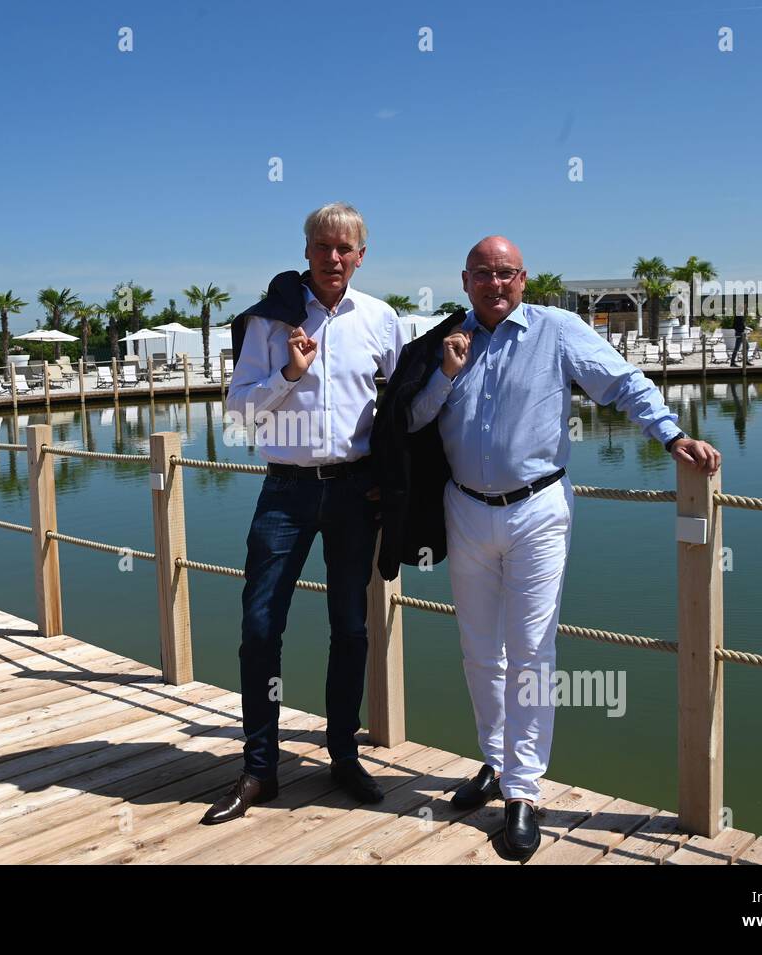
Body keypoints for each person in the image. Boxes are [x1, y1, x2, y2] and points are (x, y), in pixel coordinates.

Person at [374, 235, 720, 862]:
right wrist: (446, 375)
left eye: (505, 273)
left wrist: (671, 437)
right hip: (465, 508)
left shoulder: (556, 330)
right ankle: (497, 762)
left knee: (531, 651)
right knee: (479, 651)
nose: (494, 284)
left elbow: (623, 383)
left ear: (524, 279)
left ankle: (524, 792)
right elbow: (411, 421)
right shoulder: (446, 342)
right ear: (465, 280)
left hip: (537, 509)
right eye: (482, 274)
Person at [200, 202, 407, 825]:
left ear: (361, 256)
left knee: (350, 627)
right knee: (260, 625)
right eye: (323, 247)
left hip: (353, 493)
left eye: (346, 249)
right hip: (286, 491)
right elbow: (240, 414)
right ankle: (260, 767)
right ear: (307, 251)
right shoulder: (272, 321)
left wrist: (393, 485)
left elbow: (400, 412)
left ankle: (342, 752)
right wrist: (290, 371)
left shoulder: (382, 319)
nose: (334, 258)